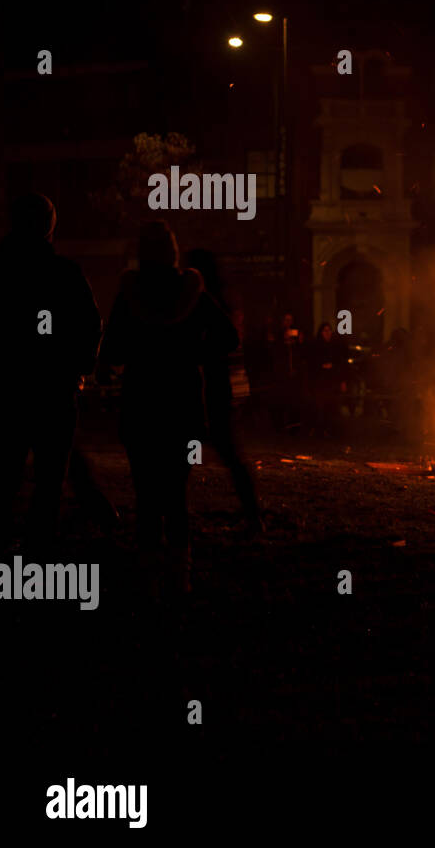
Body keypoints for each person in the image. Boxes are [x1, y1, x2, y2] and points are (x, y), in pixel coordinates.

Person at [100, 222, 239, 595]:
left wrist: (134, 352)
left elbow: (111, 349)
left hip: (141, 402)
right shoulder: (192, 291)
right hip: (183, 403)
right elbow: (229, 336)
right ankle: (179, 573)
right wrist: (194, 353)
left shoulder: (130, 293)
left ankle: (147, 568)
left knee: (145, 490)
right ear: (174, 252)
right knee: (177, 490)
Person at [0, 193, 102, 550]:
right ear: (49, 227)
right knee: (50, 481)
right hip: (54, 392)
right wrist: (78, 366)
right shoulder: (64, 273)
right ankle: (38, 554)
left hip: (6, 391)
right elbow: (90, 325)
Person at [185, 249, 263, 534]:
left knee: (209, 451)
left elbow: (225, 340)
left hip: (210, 387)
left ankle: (171, 514)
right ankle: (253, 514)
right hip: (220, 387)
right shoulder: (222, 299)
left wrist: (197, 355)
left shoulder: (205, 300)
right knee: (229, 454)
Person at [309, 321, 349, 438]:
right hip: (321, 382)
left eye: (329, 330)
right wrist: (322, 366)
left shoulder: (335, 347)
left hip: (332, 382)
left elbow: (341, 364)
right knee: (320, 407)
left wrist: (342, 380)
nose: (327, 333)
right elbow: (312, 365)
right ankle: (320, 430)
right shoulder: (317, 347)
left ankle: (331, 430)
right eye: (325, 331)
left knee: (332, 407)